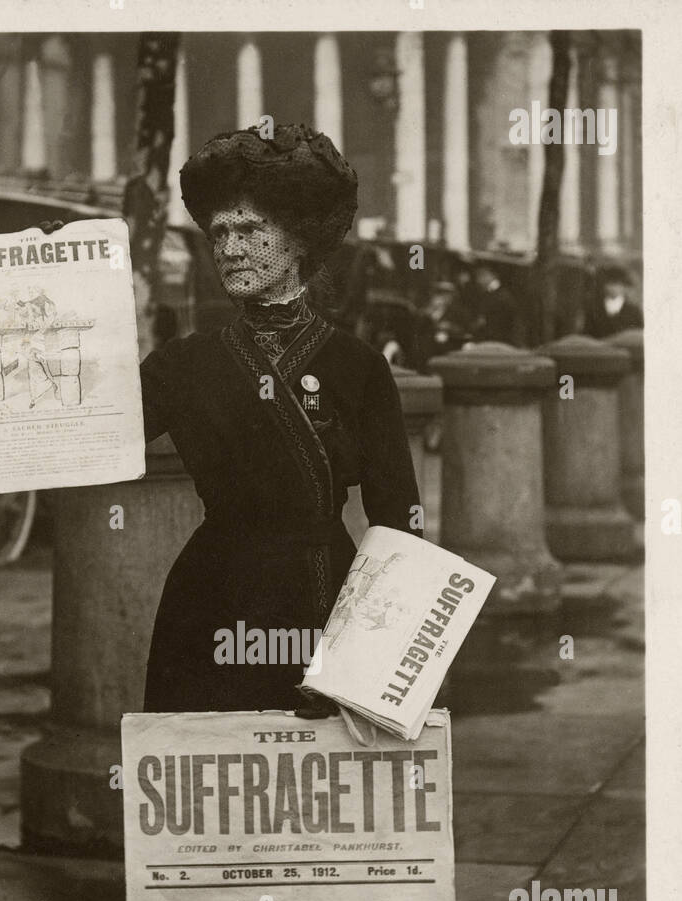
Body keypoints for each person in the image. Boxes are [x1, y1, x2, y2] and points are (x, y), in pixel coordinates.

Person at [140, 124, 421, 713]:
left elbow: (397, 522)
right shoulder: (182, 365)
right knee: (208, 779)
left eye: (249, 230)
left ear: (296, 240)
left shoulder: (358, 367)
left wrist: (383, 661)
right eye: (219, 234)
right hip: (212, 602)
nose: (230, 249)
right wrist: (62, 300)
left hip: (325, 601)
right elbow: (89, 434)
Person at [471, 263, 525, 346]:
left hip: (499, 342)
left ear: (491, 275)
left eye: (481, 275)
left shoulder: (502, 296)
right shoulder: (491, 294)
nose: (478, 280)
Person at [587, 267, 643, 338]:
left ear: (624, 287)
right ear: (604, 286)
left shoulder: (634, 311)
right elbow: (587, 335)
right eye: (610, 284)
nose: (614, 288)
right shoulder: (594, 309)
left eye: (618, 284)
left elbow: (638, 335)